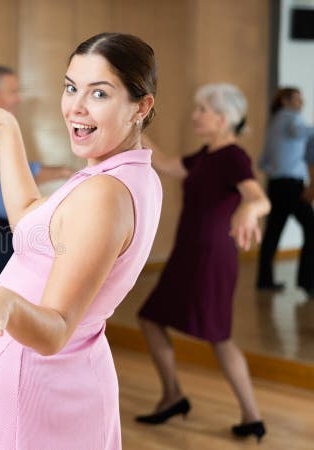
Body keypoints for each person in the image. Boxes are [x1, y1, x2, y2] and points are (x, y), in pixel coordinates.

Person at [0, 32, 162, 450]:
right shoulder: (131, 175)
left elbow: (55, 329)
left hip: (29, 380)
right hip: (59, 374)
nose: (76, 107)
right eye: (71, 87)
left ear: (142, 106)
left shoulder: (103, 193)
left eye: (99, 93)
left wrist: (6, 301)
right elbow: (29, 214)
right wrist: (8, 127)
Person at [136, 83, 270, 442]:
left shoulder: (233, 157)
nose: (194, 116)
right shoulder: (206, 156)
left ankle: (248, 414)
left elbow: (260, 199)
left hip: (210, 257)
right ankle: (175, 396)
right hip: (190, 252)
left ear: (223, 118)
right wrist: (136, 124)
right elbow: (165, 163)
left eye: (202, 110)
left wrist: (248, 209)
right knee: (153, 318)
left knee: (219, 337)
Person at [0, 65, 72, 292]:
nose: (18, 99)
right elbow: (22, 171)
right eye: (13, 92)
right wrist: (69, 173)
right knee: (3, 297)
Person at [256, 87, 314, 293]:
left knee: (272, 233)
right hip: (291, 186)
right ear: (285, 101)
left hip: (277, 185)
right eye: (298, 99)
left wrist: (277, 168)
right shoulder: (291, 118)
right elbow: (300, 132)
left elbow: (262, 162)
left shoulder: (274, 123)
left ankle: (264, 280)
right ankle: (308, 282)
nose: (301, 103)